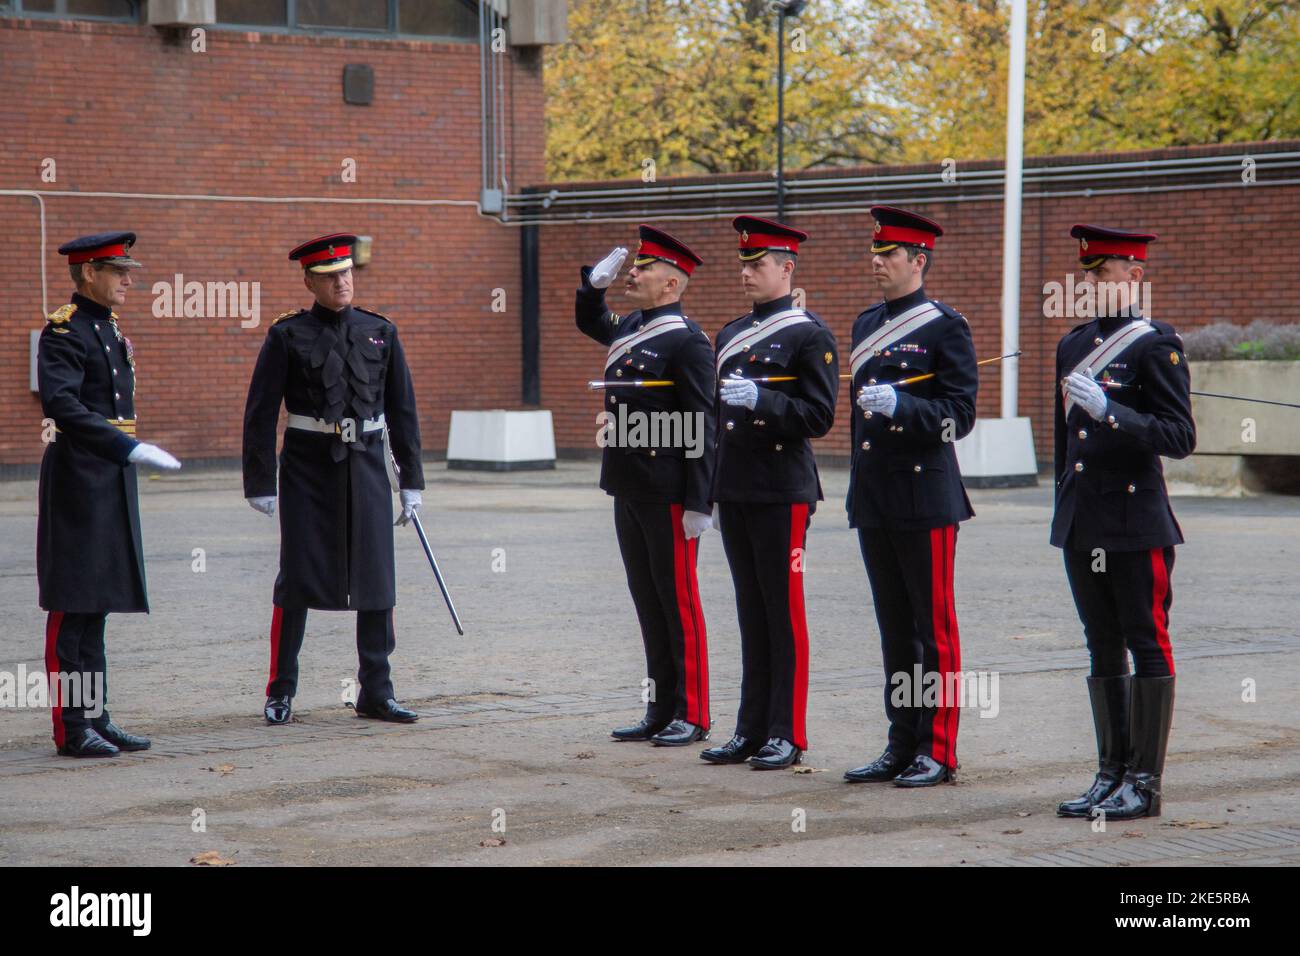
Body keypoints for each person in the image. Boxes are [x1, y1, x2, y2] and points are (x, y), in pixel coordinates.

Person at [243, 233, 424, 726]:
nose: (341, 282)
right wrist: (260, 481)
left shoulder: (380, 331)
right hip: (307, 465)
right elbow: (260, 412)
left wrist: (412, 480)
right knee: (297, 579)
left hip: (366, 462)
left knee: (376, 578)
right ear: (310, 282)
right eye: (329, 277)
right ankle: (280, 690)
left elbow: (402, 411)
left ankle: (376, 692)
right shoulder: (287, 335)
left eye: (345, 274)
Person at [1053, 224, 1194, 820]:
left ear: (1134, 277)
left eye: (1101, 273)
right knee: (1100, 644)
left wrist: (1114, 412)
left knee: (1146, 641)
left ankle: (1145, 782)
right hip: (1085, 518)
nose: (1089, 282)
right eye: (1086, 273)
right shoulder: (1073, 345)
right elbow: (1066, 445)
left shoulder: (1155, 345)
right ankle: (1109, 772)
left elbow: (1179, 436)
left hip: (1136, 518)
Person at [842, 206, 977, 788]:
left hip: (925, 495)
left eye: (888, 254)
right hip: (876, 496)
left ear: (917, 261)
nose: (877, 262)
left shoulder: (946, 327)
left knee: (933, 629)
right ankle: (901, 742)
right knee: (895, 629)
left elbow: (960, 416)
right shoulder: (866, 322)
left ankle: (938, 748)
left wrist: (905, 408)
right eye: (874, 252)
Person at [700, 216, 838, 770]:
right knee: (750, 610)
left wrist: (764, 402)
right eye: (744, 264)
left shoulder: (810, 334)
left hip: (783, 489)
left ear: (787, 268)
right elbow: (715, 419)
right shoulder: (731, 333)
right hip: (737, 486)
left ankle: (787, 730)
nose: (747, 273)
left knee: (783, 612)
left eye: (758, 265)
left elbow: (819, 416)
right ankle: (749, 727)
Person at [39, 231, 182, 757]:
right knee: (72, 606)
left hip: (110, 476)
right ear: (88, 274)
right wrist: (125, 447)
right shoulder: (64, 331)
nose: (128, 279)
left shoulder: (109, 327)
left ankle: (97, 715)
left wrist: (124, 453)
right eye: (118, 271)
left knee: (97, 605)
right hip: (78, 475)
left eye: (128, 270)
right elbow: (61, 404)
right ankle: (71, 727)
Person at [576, 225, 715, 746]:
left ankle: (694, 711)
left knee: (679, 602)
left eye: (644, 268)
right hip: (629, 484)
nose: (632, 273)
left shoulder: (688, 341)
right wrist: (593, 286)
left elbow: (702, 422)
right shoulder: (632, 325)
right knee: (648, 600)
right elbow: (591, 320)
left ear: (672, 284)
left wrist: (701, 500)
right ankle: (660, 707)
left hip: (670, 489)